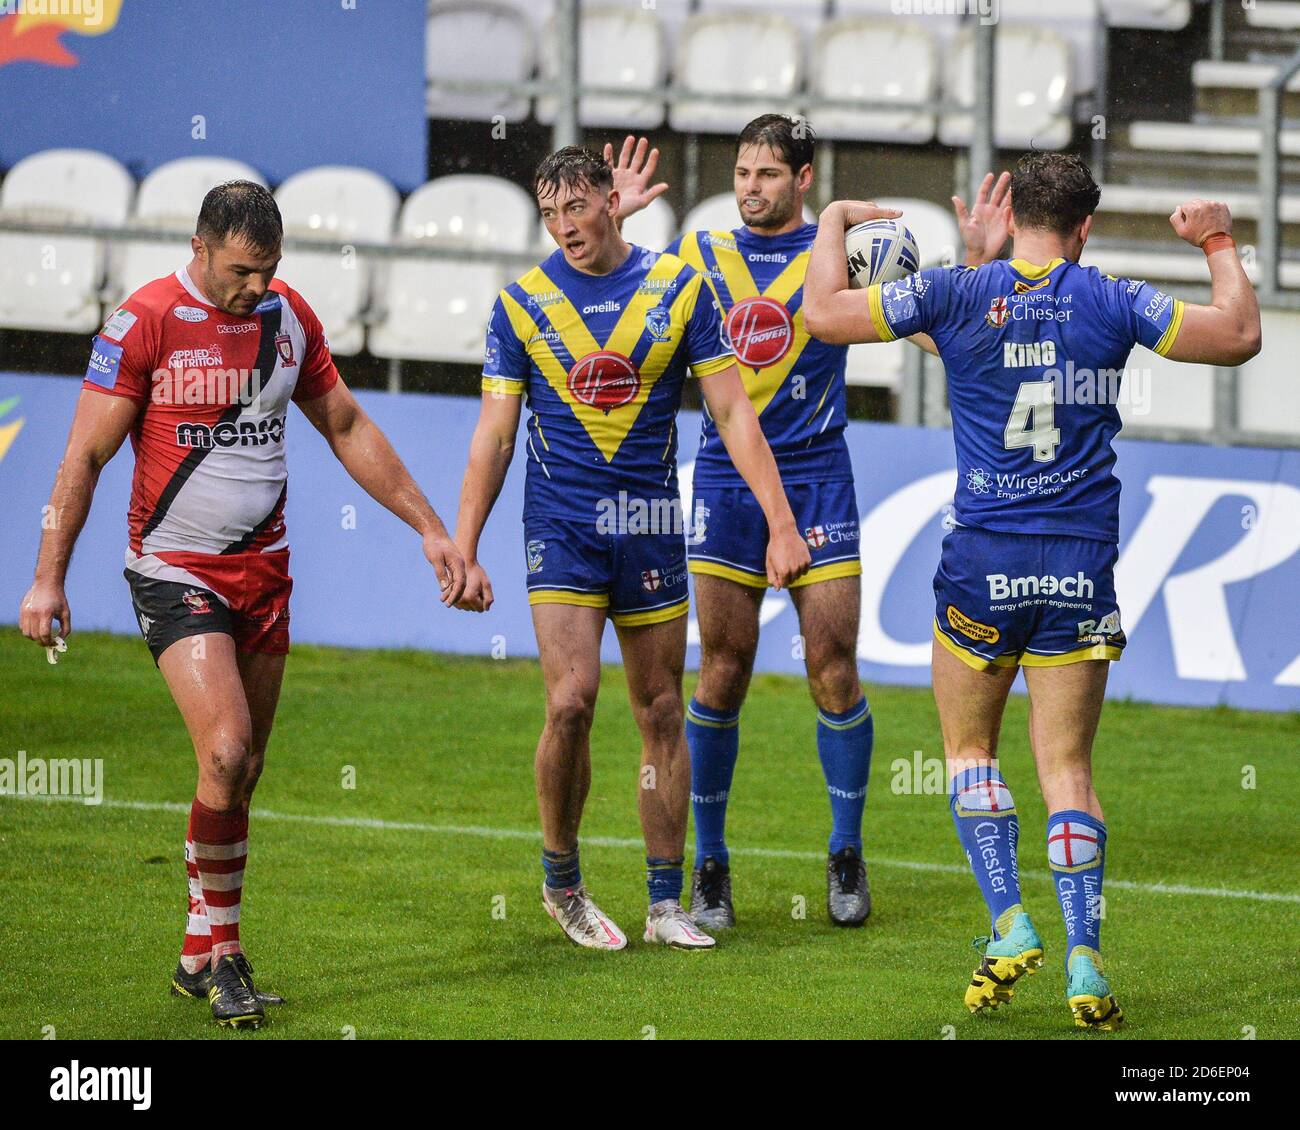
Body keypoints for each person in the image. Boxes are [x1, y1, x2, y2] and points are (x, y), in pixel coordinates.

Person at [804, 152, 1260, 1029]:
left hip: (983, 560)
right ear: (1084, 228)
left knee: (972, 754)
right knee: (1068, 768)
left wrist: (834, 223)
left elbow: (822, 316)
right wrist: (1216, 238)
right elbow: (1240, 335)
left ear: (1010, 218)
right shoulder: (1114, 300)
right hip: (1079, 563)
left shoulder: (955, 291)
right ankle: (1086, 962)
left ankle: (1009, 922)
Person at [18, 181, 466, 1028]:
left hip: (266, 572)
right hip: (173, 570)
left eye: (267, 270)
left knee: (244, 769)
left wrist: (430, 529)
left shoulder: (287, 318)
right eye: (240, 270)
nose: (255, 286)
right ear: (199, 248)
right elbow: (84, 458)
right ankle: (227, 955)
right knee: (225, 752)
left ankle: (197, 950)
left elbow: (343, 423)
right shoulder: (144, 322)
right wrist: (48, 577)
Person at [606, 121, 1008, 929]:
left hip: (819, 479)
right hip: (725, 481)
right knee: (723, 670)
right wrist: (611, 229)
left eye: (766, 173)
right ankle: (711, 866)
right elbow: (623, 306)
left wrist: (979, 266)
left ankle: (846, 852)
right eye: (741, 171)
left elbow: (943, 330)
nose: (750, 186)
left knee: (832, 668)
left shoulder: (849, 261)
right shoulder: (697, 252)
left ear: (803, 178)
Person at [453, 146, 809, 951]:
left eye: (575, 208)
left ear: (610, 201)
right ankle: (562, 880)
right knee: (570, 701)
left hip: (648, 527)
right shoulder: (521, 305)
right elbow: (495, 437)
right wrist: (466, 546)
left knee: (657, 710)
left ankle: (662, 903)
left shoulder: (680, 291)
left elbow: (732, 414)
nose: (563, 227)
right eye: (549, 214)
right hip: (563, 528)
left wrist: (780, 524)